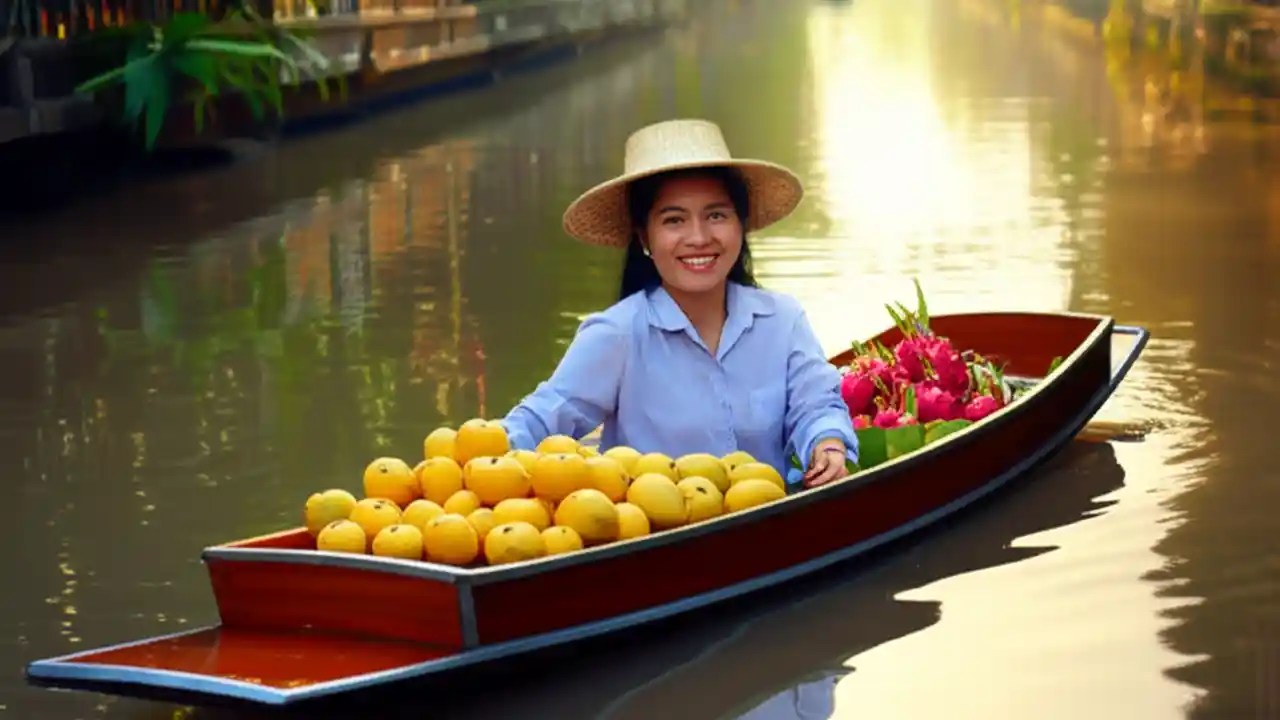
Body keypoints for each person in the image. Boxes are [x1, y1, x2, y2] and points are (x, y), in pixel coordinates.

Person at [500, 119, 857, 489]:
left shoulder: (782, 320)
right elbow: (542, 420)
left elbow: (816, 405)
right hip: (660, 538)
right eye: (674, 220)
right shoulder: (617, 333)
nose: (699, 238)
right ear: (644, 237)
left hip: (770, 525)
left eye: (716, 215)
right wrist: (474, 460)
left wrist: (827, 444)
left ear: (741, 225)